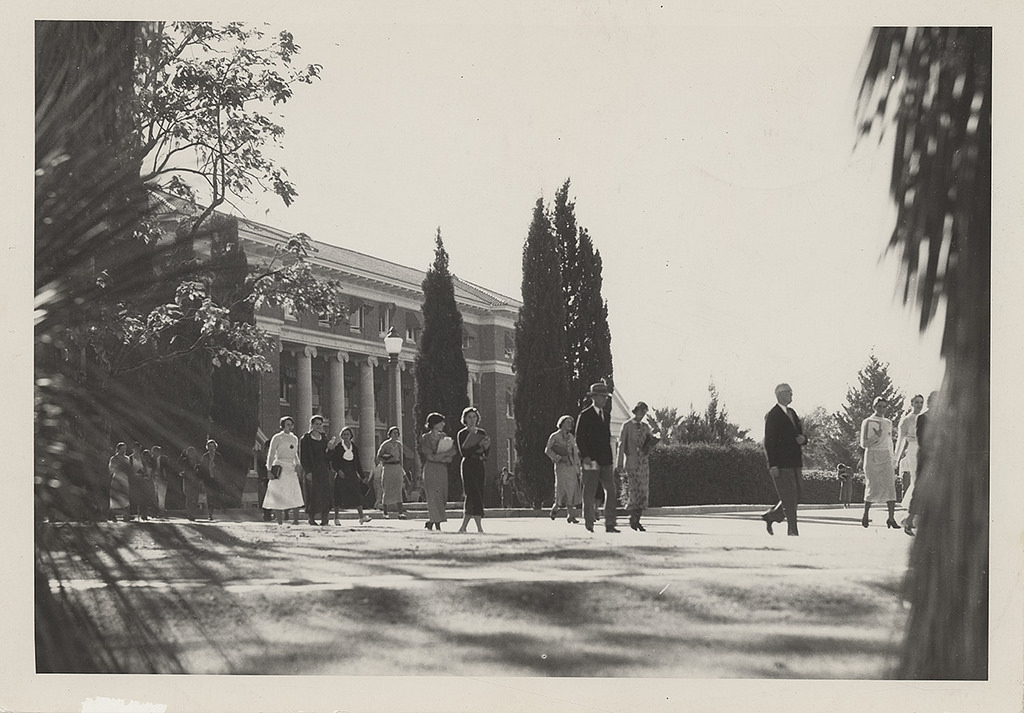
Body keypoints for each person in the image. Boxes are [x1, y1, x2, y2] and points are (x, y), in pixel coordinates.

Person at [761, 383, 807, 536]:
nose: (791, 395)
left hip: (795, 461)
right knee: (789, 496)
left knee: (798, 493)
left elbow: (800, 434)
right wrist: (773, 464)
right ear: (780, 394)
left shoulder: (792, 412)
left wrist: (804, 439)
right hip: (782, 463)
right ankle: (792, 530)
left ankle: (773, 515)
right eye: (789, 392)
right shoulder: (773, 415)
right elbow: (769, 442)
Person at [575, 382, 618, 533]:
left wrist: (611, 458)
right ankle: (589, 523)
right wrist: (585, 456)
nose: (605, 399)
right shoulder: (585, 415)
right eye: (602, 397)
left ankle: (610, 524)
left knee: (611, 490)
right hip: (591, 459)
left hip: (606, 460)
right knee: (589, 491)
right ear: (594, 397)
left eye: (606, 397)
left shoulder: (606, 415)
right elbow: (579, 437)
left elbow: (606, 437)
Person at [616, 401, 659, 532]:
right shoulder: (627, 425)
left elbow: (649, 441)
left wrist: (654, 438)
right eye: (640, 411)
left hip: (643, 463)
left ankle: (638, 519)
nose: (642, 414)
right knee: (634, 490)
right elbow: (621, 444)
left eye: (644, 412)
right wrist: (619, 462)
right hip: (632, 462)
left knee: (643, 491)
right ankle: (632, 518)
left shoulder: (645, 427)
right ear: (636, 411)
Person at [859, 396, 898, 529]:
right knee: (872, 485)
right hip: (872, 455)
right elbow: (864, 444)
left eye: (884, 406)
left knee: (890, 486)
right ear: (874, 407)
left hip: (886, 456)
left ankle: (891, 518)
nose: (882, 409)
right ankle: (865, 514)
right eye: (879, 406)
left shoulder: (888, 422)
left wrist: (893, 458)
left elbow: (889, 441)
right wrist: (876, 436)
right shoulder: (867, 421)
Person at [904, 390, 938, 536]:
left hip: (939, 460)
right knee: (920, 490)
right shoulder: (922, 418)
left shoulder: (942, 419)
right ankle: (909, 520)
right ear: (929, 403)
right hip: (926, 459)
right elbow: (921, 439)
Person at [264, 416, 304, 525]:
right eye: (288, 425)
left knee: (294, 493)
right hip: (279, 467)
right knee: (279, 493)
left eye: (291, 425)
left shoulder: (294, 438)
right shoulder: (277, 437)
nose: (290, 427)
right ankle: (279, 521)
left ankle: (295, 521)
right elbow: (271, 454)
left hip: (291, 468)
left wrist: (298, 464)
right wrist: (269, 470)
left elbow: (295, 453)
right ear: (282, 426)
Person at [456, 407, 490, 534]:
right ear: (465, 419)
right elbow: (464, 452)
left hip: (479, 464)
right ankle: (475, 527)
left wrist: (486, 447)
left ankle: (465, 527)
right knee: (471, 493)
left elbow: (485, 454)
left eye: (474, 417)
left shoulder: (481, 432)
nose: (472, 419)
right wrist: (478, 445)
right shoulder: (462, 434)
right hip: (468, 465)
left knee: (479, 493)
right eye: (469, 417)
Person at [328, 426, 371, 525]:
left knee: (357, 495)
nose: (346, 436)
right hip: (341, 475)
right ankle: (336, 518)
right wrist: (338, 471)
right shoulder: (338, 447)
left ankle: (361, 517)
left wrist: (362, 476)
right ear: (341, 436)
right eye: (344, 434)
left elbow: (358, 463)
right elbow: (333, 462)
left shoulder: (354, 448)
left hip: (352, 475)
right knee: (338, 496)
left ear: (351, 435)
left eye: (347, 434)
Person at [420, 413, 455, 531]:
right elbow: (429, 456)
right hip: (431, 469)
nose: (443, 424)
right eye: (441, 422)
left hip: (441, 469)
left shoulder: (444, 436)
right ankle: (437, 523)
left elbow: (451, 454)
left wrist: (441, 456)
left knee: (442, 495)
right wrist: (442, 456)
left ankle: (432, 521)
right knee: (433, 496)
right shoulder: (426, 437)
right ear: (434, 423)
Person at [545, 415, 582, 524]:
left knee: (572, 489)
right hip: (561, 467)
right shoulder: (554, 436)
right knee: (562, 488)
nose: (570, 425)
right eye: (567, 422)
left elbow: (575, 452)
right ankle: (556, 506)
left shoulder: (571, 437)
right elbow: (548, 450)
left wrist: (577, 466)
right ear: (561, 423)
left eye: (571, 423)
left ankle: (570, 515)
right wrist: (559, 458)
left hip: (571, 466)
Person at [300, 415, 333, 526]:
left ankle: (325, 518)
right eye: (316, 424)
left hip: (323, 469)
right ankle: (311, 518)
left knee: (325, 494)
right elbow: (303, 457)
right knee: (312, 493)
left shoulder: (324, 438)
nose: (318, 426)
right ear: (312, 425)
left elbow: (328, 457)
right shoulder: (305, 439)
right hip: (312, 470)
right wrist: (307, 471)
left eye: (320, 424)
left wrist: (330, 449)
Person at [895, 394, 924, 507]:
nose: (919, 405)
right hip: (913, 449)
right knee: (916, 477)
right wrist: (896, 459)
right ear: (911, 403)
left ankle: (916, 504)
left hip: (924, 449)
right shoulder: (906, 420)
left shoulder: (924, 417)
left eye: (921, 402)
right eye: (916, 402)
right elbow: (900, 441)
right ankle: (915, 505)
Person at [376, 426, 407, 519]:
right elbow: (379, 456)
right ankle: (385, 512)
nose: (396, 435)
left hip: (397, 467)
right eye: (394, 433)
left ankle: (400, 512)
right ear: (390, 434)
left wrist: (402, 470)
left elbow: (401, 458)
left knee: (398, 489)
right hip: (388, 467)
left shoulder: (399, 445)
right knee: (387, 488)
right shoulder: (385, 444)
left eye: (397, 433)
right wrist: (387, 458)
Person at [107, 442, 131, 522]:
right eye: (122, 449)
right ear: (118, 449)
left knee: (125, 496)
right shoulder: (114, 458)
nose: (124, 450)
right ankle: (113, 514)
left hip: (124, 478)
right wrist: (118, 468)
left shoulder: (127, 458)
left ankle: (125, 514)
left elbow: (129, 468)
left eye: (125, 449)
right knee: (116, 495)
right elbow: (111, 469)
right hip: (117, 477)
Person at [128, 442, 150, 522]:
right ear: (133, 449)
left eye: (138, 449)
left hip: (141, 479)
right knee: (133, 497)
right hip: (133, 479)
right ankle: (132, 513)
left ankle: (144, 514)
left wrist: (144, 472)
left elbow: (145, 467)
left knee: (143, 497)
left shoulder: (142, 458)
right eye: (135, 449)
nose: (137, 450)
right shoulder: (130, 458)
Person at [179, 445, 202, 521]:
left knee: (195, 497)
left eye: (192, 452)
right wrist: (182, 455)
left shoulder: (197, 461)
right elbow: (179, 464)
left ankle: (193, 513)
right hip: (187, 480)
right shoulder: (184, 460)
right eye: (189, 452)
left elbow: (201, 470)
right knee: (188, 497)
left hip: (195, 481)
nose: (191, 453)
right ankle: (189, 514)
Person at [199, 440, 220, 521]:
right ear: (207, 447)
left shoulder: (218, 456)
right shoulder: (205, 456)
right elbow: (202, 468)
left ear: (215, 447)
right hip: (208, 479)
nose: (211, 448)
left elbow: (222, 468)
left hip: (216, 479)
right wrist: (202, 479)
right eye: (209, 446)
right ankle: (210, 514)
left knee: (215, 496)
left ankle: (214, 510)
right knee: (209, 496)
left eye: (212, 446)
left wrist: (216, 467)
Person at [255, 439, 273, 521]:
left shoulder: (274, 457)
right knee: (265, 497)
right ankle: (266, 514)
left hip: (271, 480)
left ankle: (269, 514)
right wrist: (262, 478)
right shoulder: (261, 457)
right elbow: (259, 468)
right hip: (264, 479)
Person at [150, 445, 170, 517]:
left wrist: (166, 478)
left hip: (162, 479)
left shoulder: (164, 459)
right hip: (153, 478)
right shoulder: (150, 459)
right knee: (153, 495)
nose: (153, 454)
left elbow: (167, 469)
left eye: (155, 452)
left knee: (161, 496)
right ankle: (154, 511)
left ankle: (161, 511)